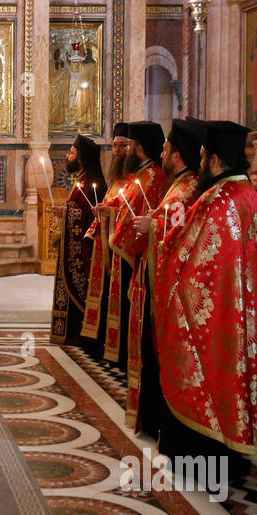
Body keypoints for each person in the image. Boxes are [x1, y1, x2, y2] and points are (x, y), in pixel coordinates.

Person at [151, 119, 257, 478]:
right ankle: (234, 449)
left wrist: (162, 245)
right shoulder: (248, 196)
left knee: (210, 376)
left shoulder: (219, 198)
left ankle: (201, 455)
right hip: (241, 309)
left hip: (216, 315)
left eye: (203, 155)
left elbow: (185, 253)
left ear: (212, 159)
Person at [127, 117, 204, 437]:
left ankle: (161, 418)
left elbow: (181, 231)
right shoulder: (180, 184)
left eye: (166, 150)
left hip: (169, 289)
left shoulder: (188, 188)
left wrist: (152, 226)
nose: (161, 156)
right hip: (157, 280)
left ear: (177, 155)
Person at [98, 121, 169, 371]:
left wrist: (115, 219)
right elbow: (127, 209)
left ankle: (131, 359)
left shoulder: (153, 177)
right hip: (130, 250)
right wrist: (111, 212)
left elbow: (139, 215)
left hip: (138, 252)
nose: (125, 151)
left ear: (139, 148)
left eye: (128, 146)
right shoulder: (140, 176)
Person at [50, 134, 106, 345]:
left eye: (72, 153)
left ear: (81, 157)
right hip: (74, 246)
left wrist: (65, 213)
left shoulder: (92, 182)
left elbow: (88, 214)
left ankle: (78, 334)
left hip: (83, 250)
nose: (68, 156)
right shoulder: (82, 178)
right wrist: (65, 211)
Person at [81, 122, 132, 349]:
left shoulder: (136, 180)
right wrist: (102, 211)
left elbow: (129, 213)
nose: (117, 151)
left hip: (119, 248)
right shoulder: (118, 179)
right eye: (114, 146)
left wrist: (107, 212)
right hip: (106, 245)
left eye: (123, 146)